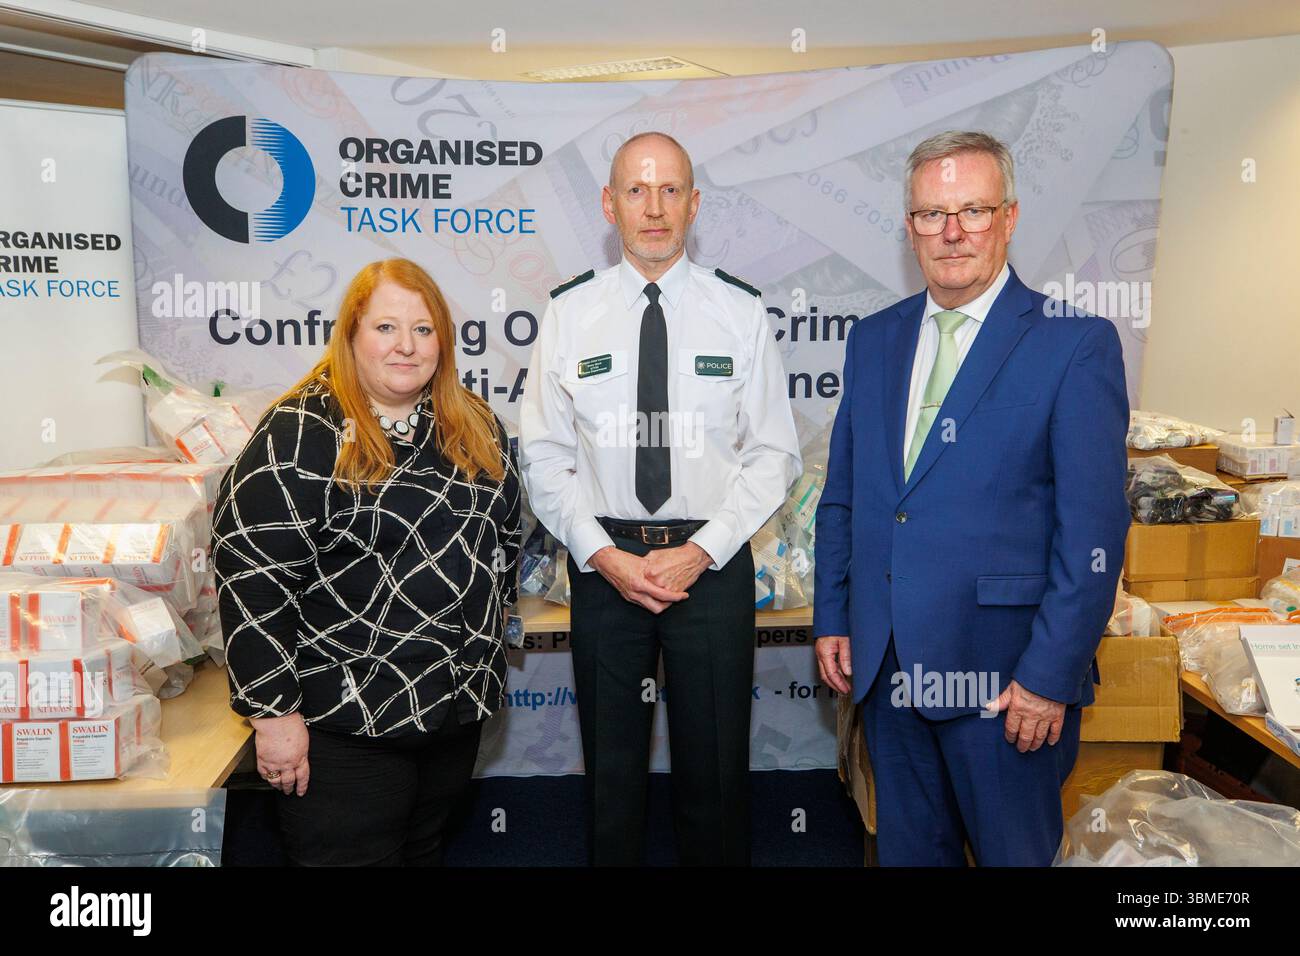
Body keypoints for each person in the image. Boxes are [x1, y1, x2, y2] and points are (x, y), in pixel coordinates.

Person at [813, 131, 1129, 866]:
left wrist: (1048, 679)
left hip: (1007, 684)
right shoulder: (874, 340)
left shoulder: (1073, 344)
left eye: (973, 210)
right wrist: (835, 612)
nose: (951, 232)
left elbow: (1095, 535)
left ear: (1010, 218)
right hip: (887, 671)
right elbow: (846, 496)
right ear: (910, 227)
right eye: (931, 214)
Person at [519, 131, 801, 866]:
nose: (654, 207)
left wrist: (702, 550)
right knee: (612, 778)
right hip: (604, 564)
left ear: (694, 204)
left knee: (716, 773)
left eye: (670, 190)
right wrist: (603, 555)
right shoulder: (570, 314)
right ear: (608, 204)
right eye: (636, 191)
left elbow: (775, 453)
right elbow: (543, 454)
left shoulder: (739, 312)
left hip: (711, 563)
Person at [212, 258, 520, 867]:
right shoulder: (300, 433)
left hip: (450, 712)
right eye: (385, 328)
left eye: (424, 329)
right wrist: (273, 717)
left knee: (422, 851)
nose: (406, 346)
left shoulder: (473, 424)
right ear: (351, 335)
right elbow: (251, 577)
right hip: (341, 726)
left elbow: (503, 544)